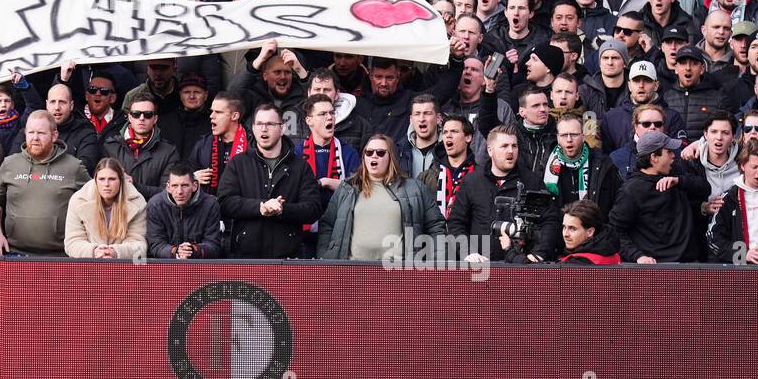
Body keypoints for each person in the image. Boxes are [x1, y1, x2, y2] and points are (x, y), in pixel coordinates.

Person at [216, 103, 323, 258]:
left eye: (270, 124)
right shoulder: (238, 163)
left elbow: (313, 209)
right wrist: (259, 207)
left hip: (287, 258)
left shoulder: (300, 167)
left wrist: (282, 210)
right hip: (246, 256)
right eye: (259, 124)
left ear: (282, 128)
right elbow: (224, 202)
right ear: (252, 128)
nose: (263, 129)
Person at [317, 133, 445, 261]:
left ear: (391, 157)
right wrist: (326, 256)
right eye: (369, 152)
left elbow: (435, 225)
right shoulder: (347, 188)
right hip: (353, 270)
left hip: (398, 272)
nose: (374, 156)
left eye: (380, 153)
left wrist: (434, 261)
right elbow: (327, 224)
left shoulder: (415, 188)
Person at [449, 123, 558, 262]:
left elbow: (549, 220)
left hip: (522, 266)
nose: (511, 151)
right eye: (504, 146)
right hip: (481, 266)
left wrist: (539, 254)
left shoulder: (532, 181)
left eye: (514, 146)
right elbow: (456, 222)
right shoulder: (472, 181)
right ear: (490, 150)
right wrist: (468, 253)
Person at [0, 110, 89, 255]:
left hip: (61, 255)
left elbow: (93, 204)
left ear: (54, 136)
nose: (35, 138)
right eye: (31, 132)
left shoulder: (74, 167)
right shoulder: (10, 163)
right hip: (15, 253)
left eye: (41, 133)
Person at [610, 129, 709, 263]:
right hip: (656, 267)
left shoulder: (675, 173)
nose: (674, 156)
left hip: (689, 263)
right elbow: (615, 230)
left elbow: (705, 188)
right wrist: (638, 256)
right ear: (654, 158)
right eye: (668, 152)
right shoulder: (631, 190)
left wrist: (679, 181)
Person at [708, 140, 758, 266]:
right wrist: (743, 253)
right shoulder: (729, 198)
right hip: (743, 273)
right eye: (754, 167)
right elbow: (713, 239)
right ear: (743, 166)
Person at [64, 157, 148, 259]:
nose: (106, 184)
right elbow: (72, 242)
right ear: (95, 180)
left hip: (123, 266)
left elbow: (139, 244)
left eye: (112, 179)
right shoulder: (78, 200)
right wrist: (94, 251)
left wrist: (114, 252)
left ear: (121, 181)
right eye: (101, 179)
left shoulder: (137, 202)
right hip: (88, 265)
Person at [146, 161, 223, 258]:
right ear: (168, 187)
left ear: (195, 186)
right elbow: (156, 245)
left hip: (200, 267)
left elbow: (214, 245)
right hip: (166, 267)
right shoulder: (155, 205)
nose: (179, 192)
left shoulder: (210, 205)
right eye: (175, 186)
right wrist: (175, 251)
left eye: (185, 185)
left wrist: (194, 250)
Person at [558, 198, 623, 264]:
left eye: (572, 228)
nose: (565, 234)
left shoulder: (576, 263)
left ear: (590, 232)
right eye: (564, 227)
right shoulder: (612, 253)